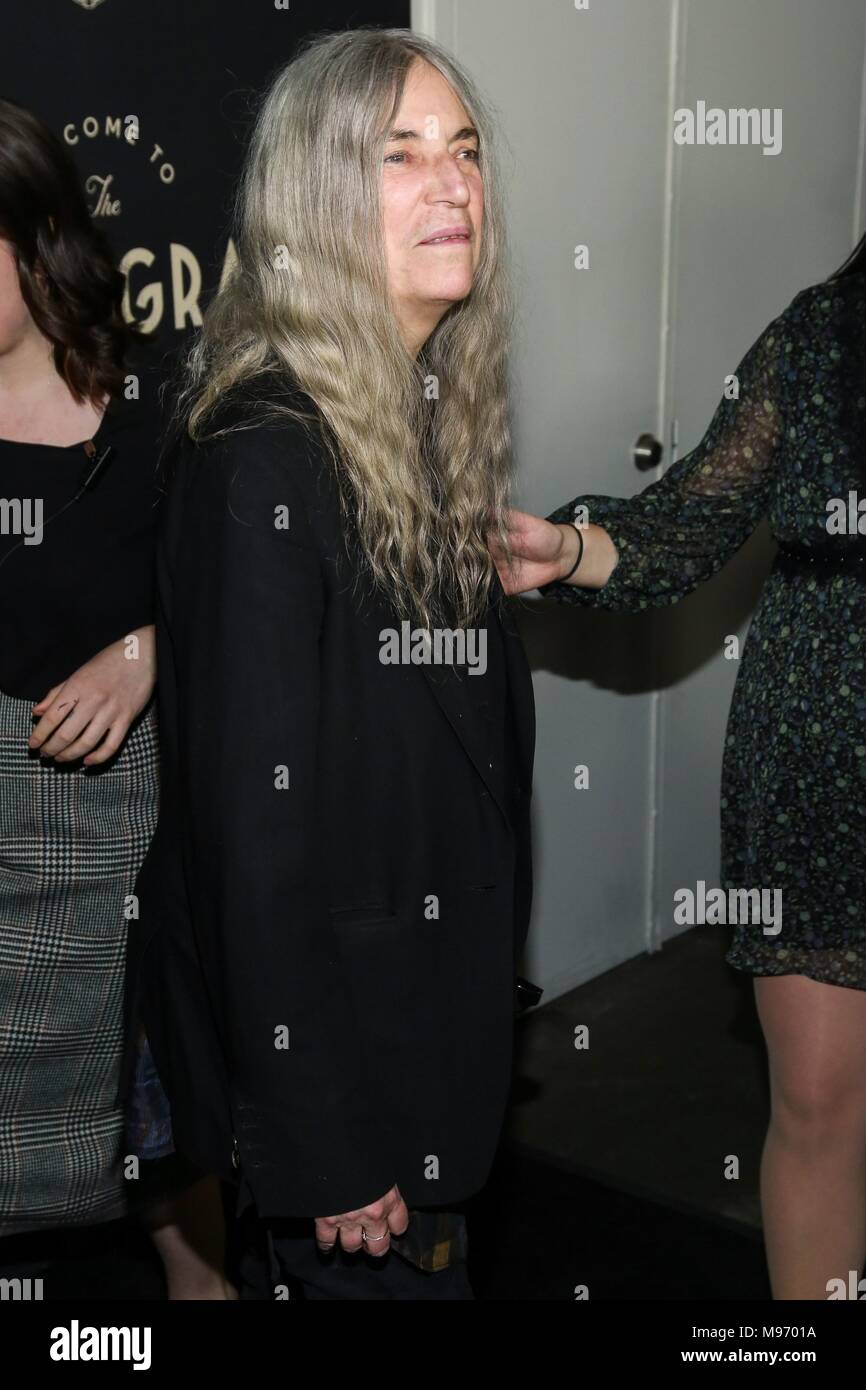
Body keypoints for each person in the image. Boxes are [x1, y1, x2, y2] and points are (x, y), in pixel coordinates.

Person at [122, 27, 536, 1301]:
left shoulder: (414, 421)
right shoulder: (263, 455)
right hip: (346, 1092)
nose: (453, 184)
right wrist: (326, 1142)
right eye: (399, 155)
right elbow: (251, 842)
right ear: (313, 200)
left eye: (461, 150)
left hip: (416, 1044)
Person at [493, 253, 866, 1300]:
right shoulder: (818, 334)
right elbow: (695, 512)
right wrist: (567, 549)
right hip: (814, 765)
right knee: (818, 1108)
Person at [0, 98, 234, 1300]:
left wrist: (142, 651)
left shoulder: (155, 414)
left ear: (36, 241)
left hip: (122, 863)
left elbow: (239, 613)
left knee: (157, 1131)